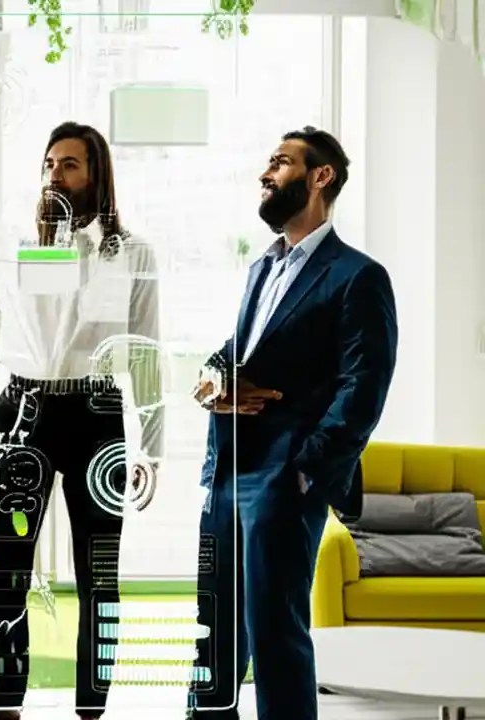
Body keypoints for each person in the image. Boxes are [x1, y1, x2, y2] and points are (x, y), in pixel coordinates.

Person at [187, 127, 398, 720]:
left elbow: (365, 388)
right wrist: (213, 379)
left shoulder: (358, 276)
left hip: (285, 478)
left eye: (280, 162)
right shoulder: (262, 269)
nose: (265, 173)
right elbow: (240, 350)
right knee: (215, 633)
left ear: (320, 177)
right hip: (228, 470)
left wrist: (305, 472)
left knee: (276, 636)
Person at [0, 122, 163, 720]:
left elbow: (143, 349)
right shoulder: (23, 244)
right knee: (8, 568)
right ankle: (6, 704)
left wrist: (151, 448)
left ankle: (93, 708)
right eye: (49, 164)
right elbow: (21, 333)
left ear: (96, 176)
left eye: (69, 166)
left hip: (95, 411)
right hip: (26, 410)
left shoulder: (132, 253)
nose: (54, 175)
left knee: (100, 576)